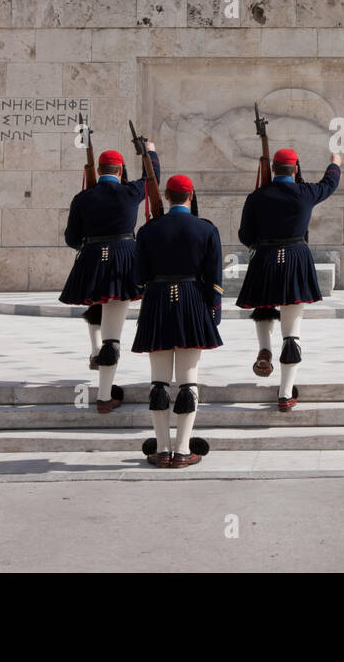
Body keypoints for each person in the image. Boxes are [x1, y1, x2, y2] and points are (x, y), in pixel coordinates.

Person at [236, 148, 341, 411]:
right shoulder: (305, 193)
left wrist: (262, 244)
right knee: (291, 334)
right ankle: (284, 394)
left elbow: (245, 235)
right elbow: (330, 184)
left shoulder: (256, 197)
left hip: (266, 256)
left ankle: (264, 350)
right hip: (295, 256)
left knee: (264, 305)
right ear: (296, 170)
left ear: (273, 170)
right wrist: (335, 164)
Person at [131, 174, 223, 469]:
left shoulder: (148, 230)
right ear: (191, 195)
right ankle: (183, 450)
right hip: (193, 301)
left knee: (159, 382)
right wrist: (213, 311)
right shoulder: (205, 229)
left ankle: (160, 449)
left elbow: (138, 277)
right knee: (188, 381)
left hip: (157, 300)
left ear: (167, 197)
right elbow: (214, 277)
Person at [60, 145, 160, 413]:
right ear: (119, 170)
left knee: (97, 305)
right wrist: (150, 153)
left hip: (92, 259)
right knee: (112, 335)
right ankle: (104, 396)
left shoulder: (82, 198)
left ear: (98, 171)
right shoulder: (130, 192)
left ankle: (95, 353)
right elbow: (153, 179)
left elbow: (71, 239)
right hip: (123, 261)